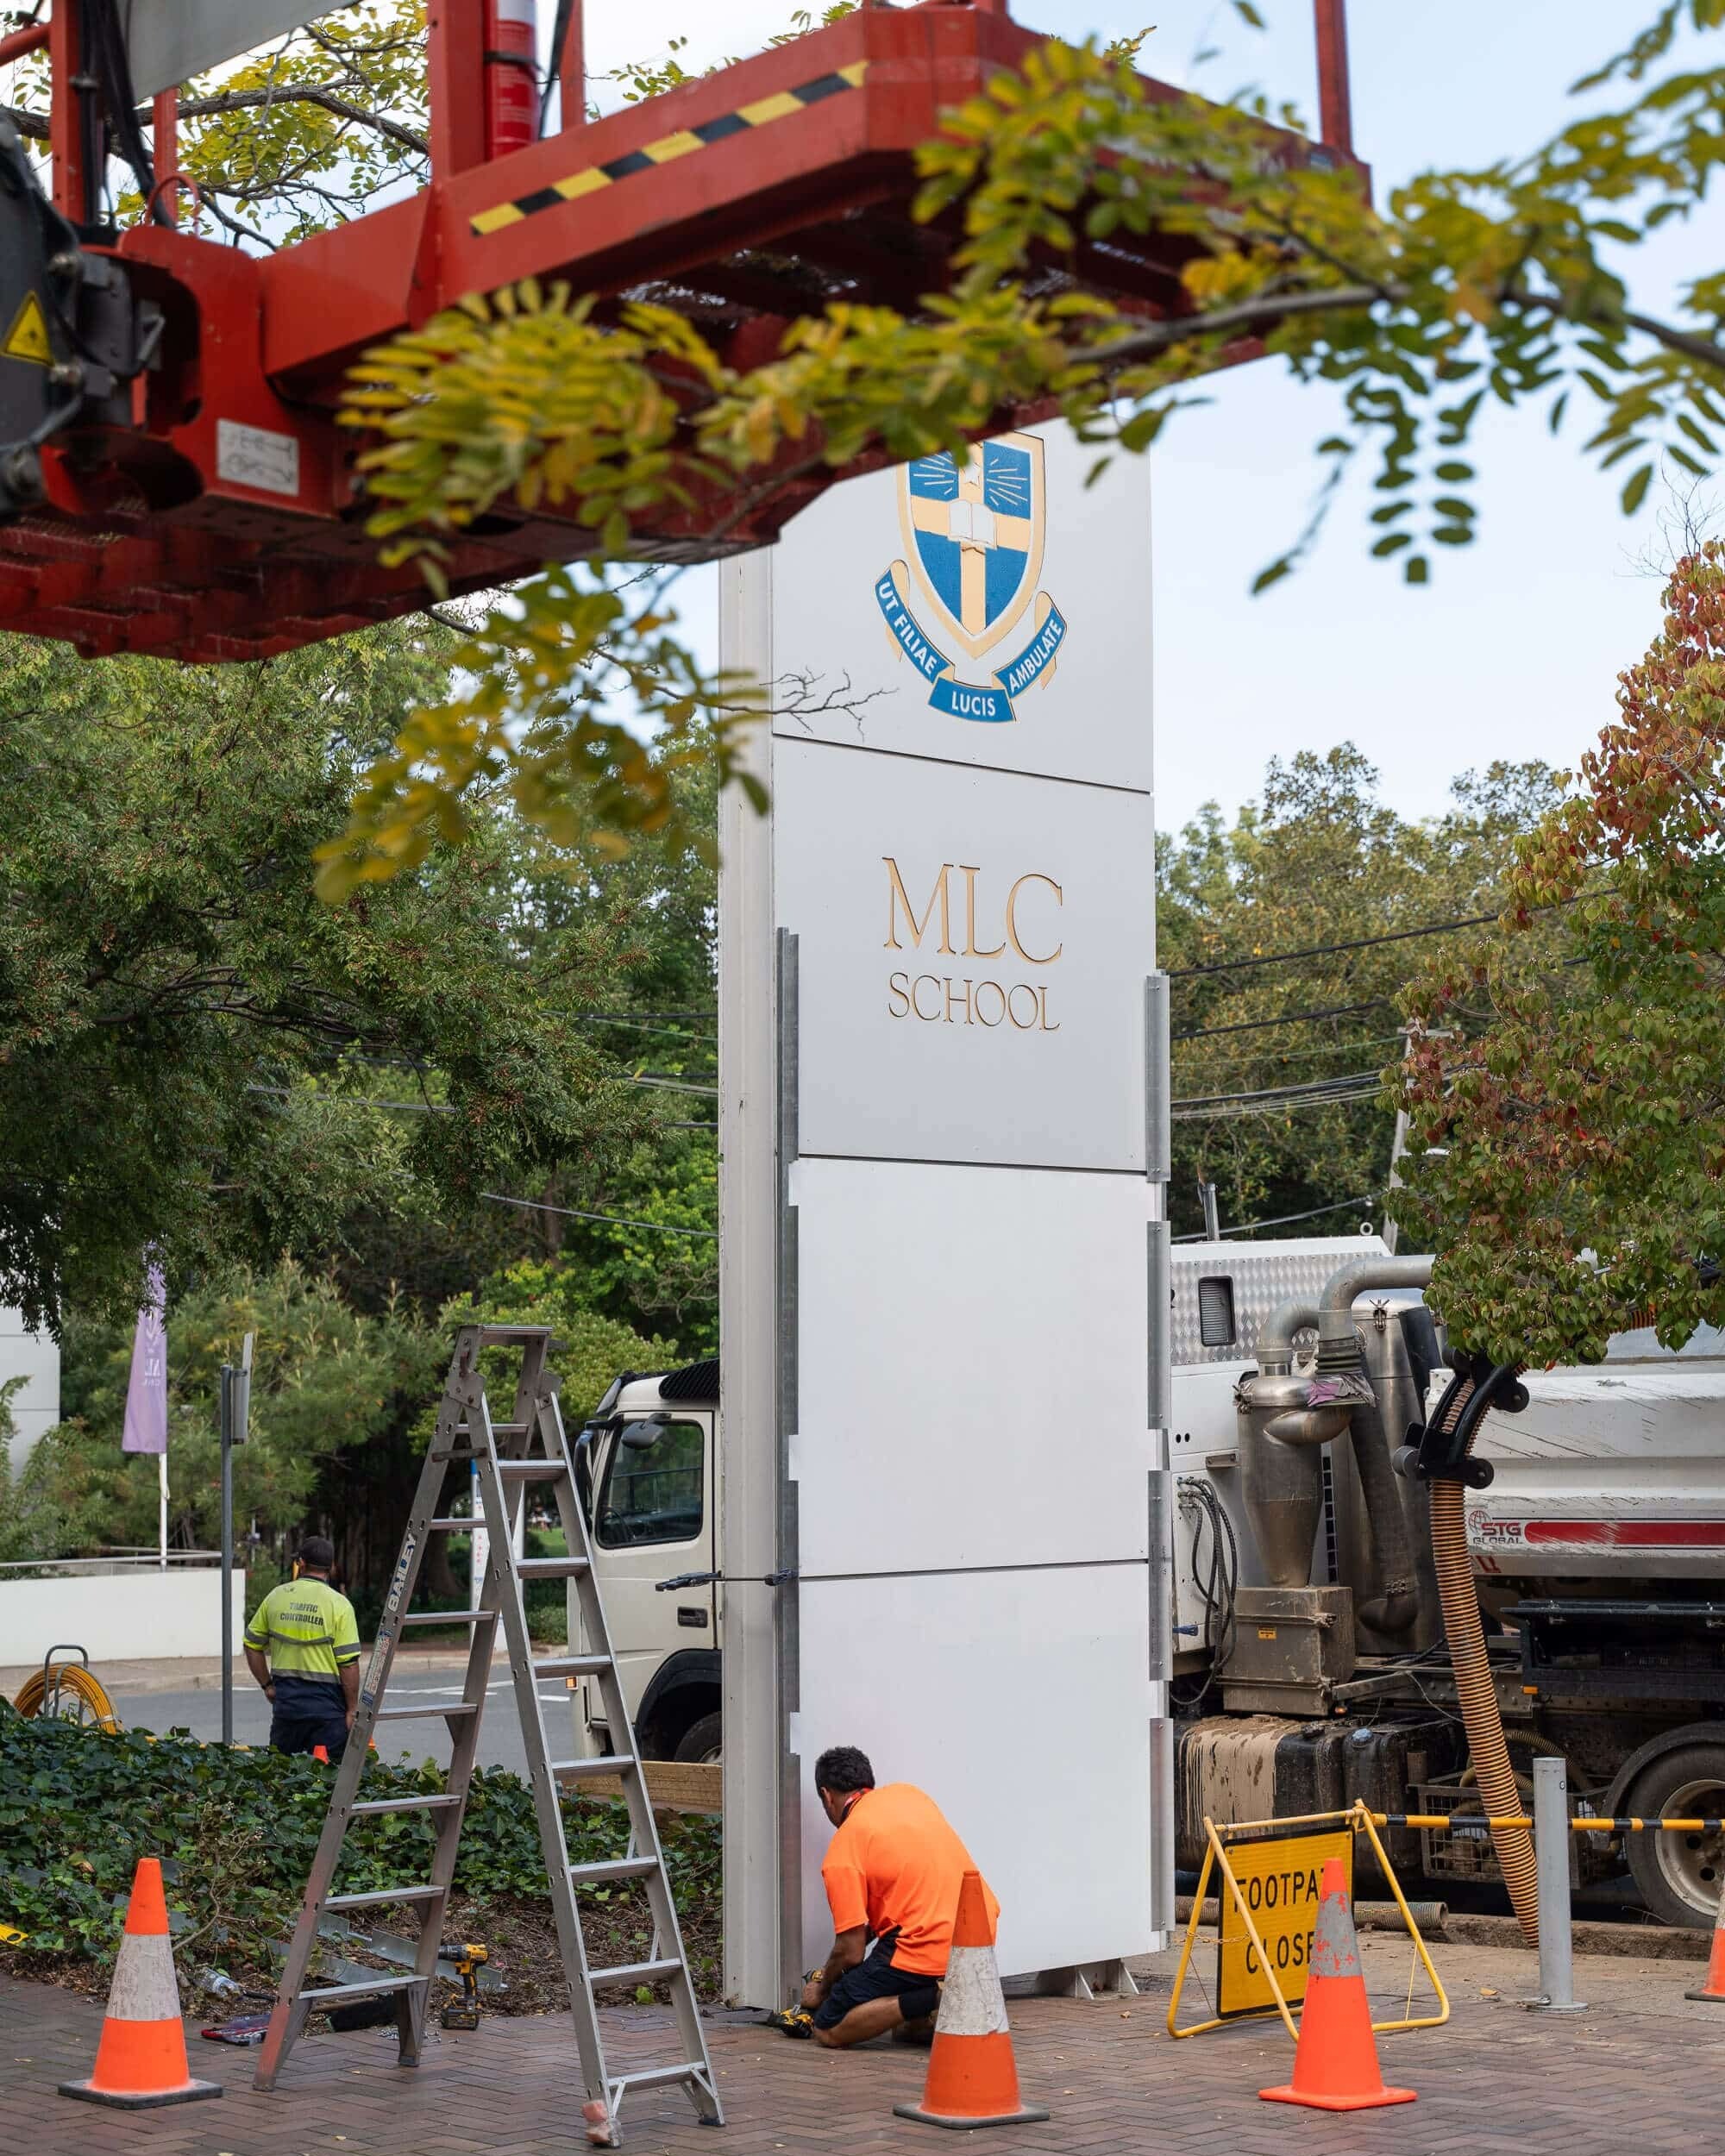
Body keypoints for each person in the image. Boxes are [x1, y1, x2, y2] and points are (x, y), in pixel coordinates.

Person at [771, 1745, 1000, 2048]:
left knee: (828, 2026)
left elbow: (850, 1951)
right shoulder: (911, 1795)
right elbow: (897, 1904)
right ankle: (937, 2001)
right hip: (977, 1933)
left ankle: (938, 1995)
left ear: (827, 1795)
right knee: (905, 2031)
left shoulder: (844, 1847)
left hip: (923, 1946)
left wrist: (823, 1988)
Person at [242, 1535, 362, 1761]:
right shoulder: (340, 1605)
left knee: (282, 1775)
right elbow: (348, 1664)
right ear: (332, 1567)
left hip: (287, 1710)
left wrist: (267, 1685)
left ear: (301, 1563)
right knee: (326, 1781)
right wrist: (352, 1709)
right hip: (328, 1712)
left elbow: (251, 1645)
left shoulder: (276, 1597)